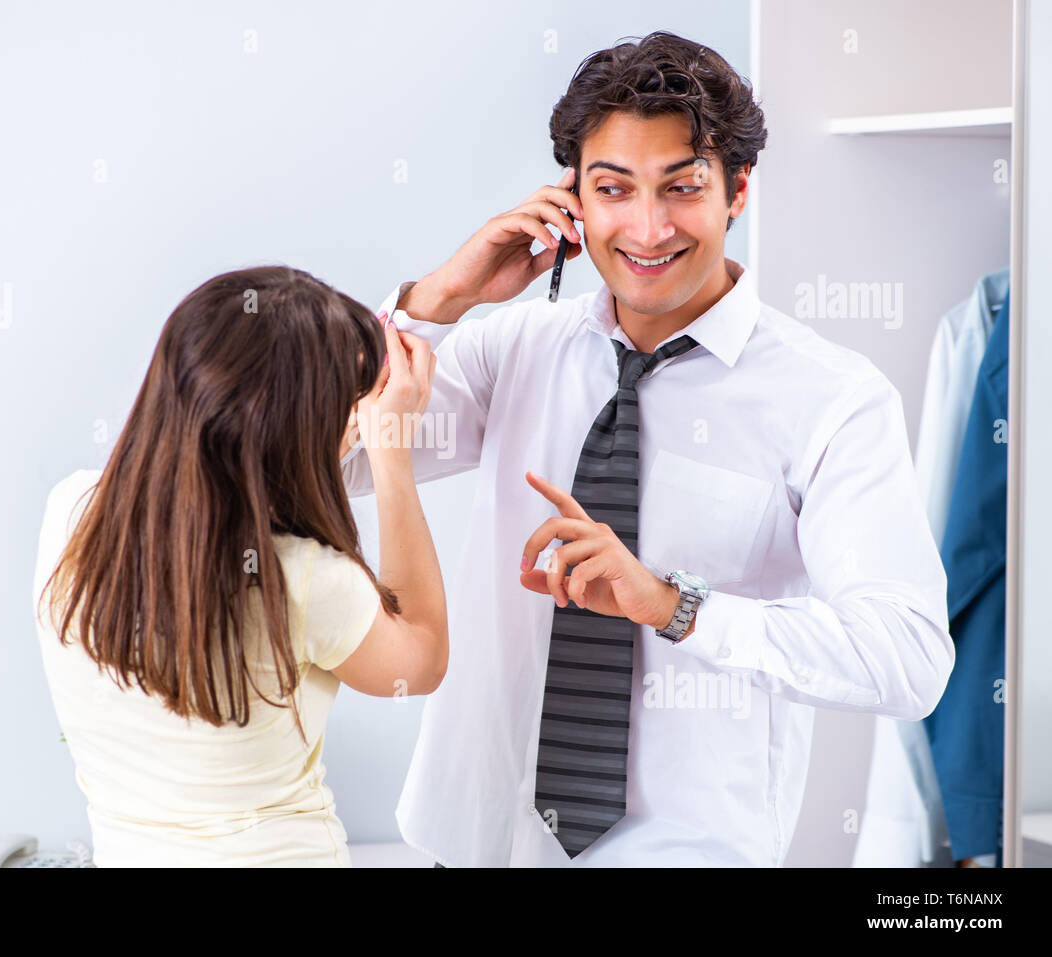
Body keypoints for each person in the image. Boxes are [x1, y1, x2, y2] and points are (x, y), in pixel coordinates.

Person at [342, 31, 954, 866]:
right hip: (476, 837)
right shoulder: (511, 349)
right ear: (572, 200)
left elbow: (908, 657)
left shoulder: (833, 399)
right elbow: (328, 464)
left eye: (683, 186)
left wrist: (672, 604)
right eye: (613, 189)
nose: (648, 226)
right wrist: (437, 298)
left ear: (737, 190)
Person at [32, 264, 446, 866]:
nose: (357, 421)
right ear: (288, 433)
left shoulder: (72, 514)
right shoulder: (303, 578)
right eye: (344, 409)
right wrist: (392, 457)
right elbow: (423, 655)